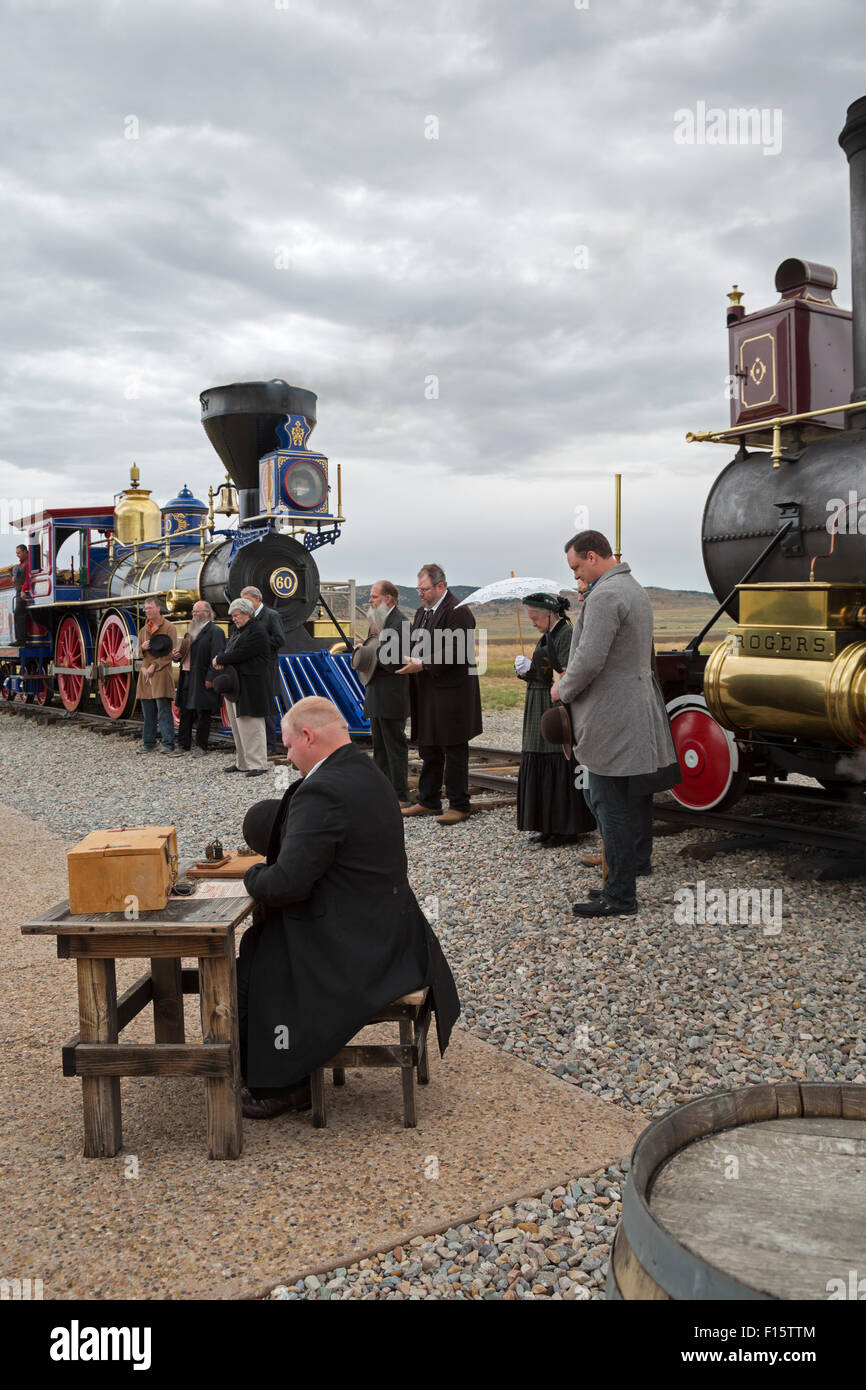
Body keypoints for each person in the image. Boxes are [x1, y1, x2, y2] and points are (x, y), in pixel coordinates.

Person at [237, 696, 461, 1118]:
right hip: (391, 932)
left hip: (360, 947)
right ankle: (281, 1070)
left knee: (251, 971)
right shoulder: (363, 768)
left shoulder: (322, 790)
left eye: (287, 745)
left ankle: (282, 1083)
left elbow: (286, 884)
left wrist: (251, 875)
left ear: (308, 736)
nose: (287, 756)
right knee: (259, 946)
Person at [551, 530, 679, 918]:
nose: (576, 575)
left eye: (576, 567)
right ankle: (619, 879)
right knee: (618, 801)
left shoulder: (605, 596)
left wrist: (562, 690)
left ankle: (619, 896)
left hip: (612, 716)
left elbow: (590, 660)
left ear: (592, 556)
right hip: (631, 710)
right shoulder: (632, 587)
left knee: (610, 805)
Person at [398, 563, 482, 826]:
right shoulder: (423, 612)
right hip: (428, 691)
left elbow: (458, 649)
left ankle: (459, 805)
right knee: (429, 747)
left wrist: (422, 663)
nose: (420, 594)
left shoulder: (458, 612)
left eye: (424, 589)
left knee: (454, 748)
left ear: (440, 587)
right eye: (418, 589)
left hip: (452, 694)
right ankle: (429, 800)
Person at [514, 593, 595, 847]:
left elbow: (565, 672)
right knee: (541, 758)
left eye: (536, 617)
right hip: (540, 704)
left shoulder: (565, 635)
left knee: (557, 760)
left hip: (554, 706)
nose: (534, 623)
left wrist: (536, 671)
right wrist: (528, 672)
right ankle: (548, 825)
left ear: (550, 614)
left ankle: (564, 828)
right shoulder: (550, 635)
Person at [360, 580, 410, 804]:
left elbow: (396, 660)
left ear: (388, 599)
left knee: (394, 748)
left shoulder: (401, 623)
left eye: (374, 596)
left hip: (392, 694)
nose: (370, 601)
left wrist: (373, 654)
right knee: (379, 748)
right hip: (376, 692)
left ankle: (400, 795)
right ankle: (383, 793)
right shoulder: (377, 622)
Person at [213, 597, 271, 777]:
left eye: (236, 615)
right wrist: (220, 658)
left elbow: (243, 653)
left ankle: (258, 763)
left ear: (247, 614)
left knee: (252, 725)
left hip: (251, 684)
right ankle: (243, 762)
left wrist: (221, 659)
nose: (234, 619)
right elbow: (228, 650)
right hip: (236, 684)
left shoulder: (257, 631)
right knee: (238, 726)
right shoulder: (238, 631)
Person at [174, 601, 226, 755]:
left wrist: (211, 677)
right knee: (185, 711)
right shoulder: (191, 632)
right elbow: (185, 653)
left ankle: (201, 746)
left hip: (203, 677)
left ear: (207, 613)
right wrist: (177, 656)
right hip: (187, 675)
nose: (194, 614)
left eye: (197, 611)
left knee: (203, 712)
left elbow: (217, 657)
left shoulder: (215, 631)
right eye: (193, 611)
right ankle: (184, 745)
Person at [240, 585, 285, 752]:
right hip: (251, 669)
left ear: (257, 599)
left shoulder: (272, 616)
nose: (244, 604)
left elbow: (280, 640)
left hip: (267, 668)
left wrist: (259, 645)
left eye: (247, 601)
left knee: (267, 707)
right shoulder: (247, 618)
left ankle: (270, 745)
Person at [135, 597, 179, 755]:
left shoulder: (169, 627)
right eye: (145, 609)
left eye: (150, 608)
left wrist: (155, 665)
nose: (147, 611)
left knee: (164, 711)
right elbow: (138, 654)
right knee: (147, 712)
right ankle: (148, 743)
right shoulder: (143, 630)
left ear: (158, 608)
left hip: (160, 673)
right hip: (145, 674)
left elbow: (171, 654)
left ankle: (168, 744)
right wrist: (142, 647)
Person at [12, 544, 31, 647]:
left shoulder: (28, 563)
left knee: (19, 614)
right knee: (18, 614)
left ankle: (21, 640)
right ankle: (20, 639)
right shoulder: (21, 564)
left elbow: (28, 578)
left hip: (23, 592)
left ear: (24, 551)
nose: (17, 555)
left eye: (18, 553)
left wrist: (24, 590)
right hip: (19, 591)